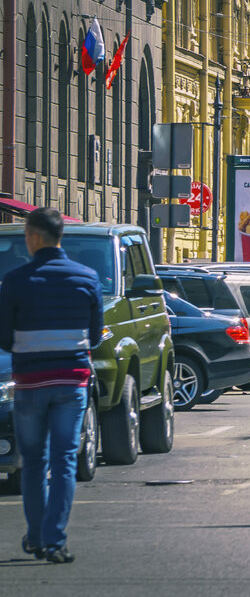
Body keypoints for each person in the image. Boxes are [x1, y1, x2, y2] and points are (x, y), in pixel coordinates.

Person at [0, 208, 103, 564]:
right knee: (63, 461)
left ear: (33, 236)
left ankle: (36, 536)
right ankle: (55, 540)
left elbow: (2, 339)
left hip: (29, 383)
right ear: (60, 237)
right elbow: (94, 337)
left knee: (33, 463)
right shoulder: (87, 278)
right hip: (71, 383)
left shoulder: (14, 281)